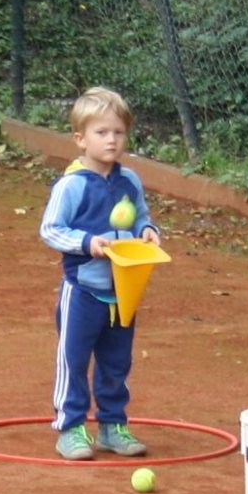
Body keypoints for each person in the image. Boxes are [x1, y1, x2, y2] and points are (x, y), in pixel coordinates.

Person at [39, 87, 162, 461]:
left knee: (117, 361)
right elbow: (50, 229)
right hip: (83, 290)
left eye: (118, 132)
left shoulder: (130, 181)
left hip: (124, 289)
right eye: (101, 132)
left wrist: (149, 230)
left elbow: (142, 216)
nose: (111, 140)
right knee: (74, 358)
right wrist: (86, 242)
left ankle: (112, 426)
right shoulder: (72, 185)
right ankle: (71, 427)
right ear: (80, 139)